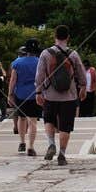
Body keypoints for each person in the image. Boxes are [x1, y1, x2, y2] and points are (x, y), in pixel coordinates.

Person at [35, 25, 88, 166]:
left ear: (55, 36)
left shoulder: (46, 54)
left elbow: (39, 75)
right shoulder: (73, 54)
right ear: (68, 37)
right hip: (69, 96)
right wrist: (83, 88)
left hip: (50, 96)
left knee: (48, 120)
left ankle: (51, 143)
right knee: (65, 126)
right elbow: (82, 75)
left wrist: (38, 92)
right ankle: (62, 154)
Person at [9, 38, 42, 157]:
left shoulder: (17, 63)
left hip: (20, 94)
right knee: (33, 121)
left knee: (22, 118)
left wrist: (10, 94)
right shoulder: (40, 62)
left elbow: (13, 80)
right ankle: (31, 146)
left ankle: (22, 141)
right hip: (35, 94)